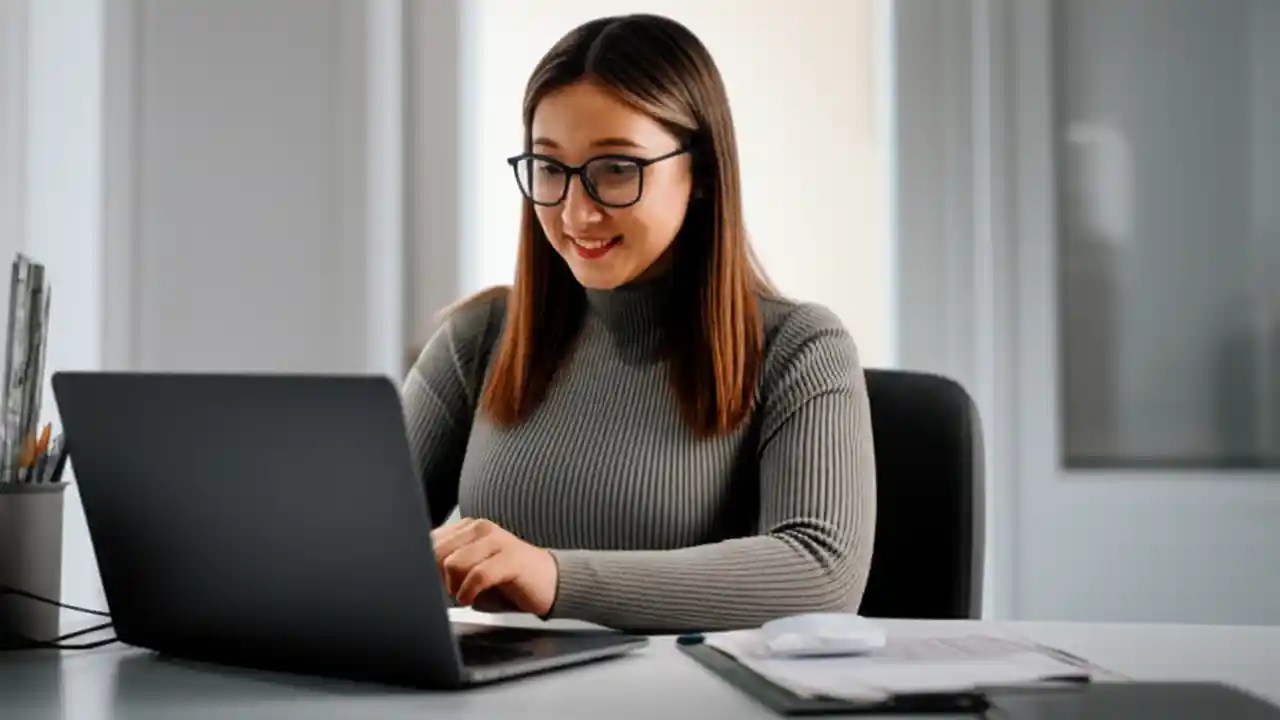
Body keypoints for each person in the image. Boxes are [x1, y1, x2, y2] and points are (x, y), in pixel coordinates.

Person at [403, 13, 875, 634]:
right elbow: (358, 541)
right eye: (550, 168)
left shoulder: (800, 347)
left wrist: (555, 578)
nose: (576, 211)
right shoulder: (479, 337)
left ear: (700, 172)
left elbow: (821, 570)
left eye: (617, 169)